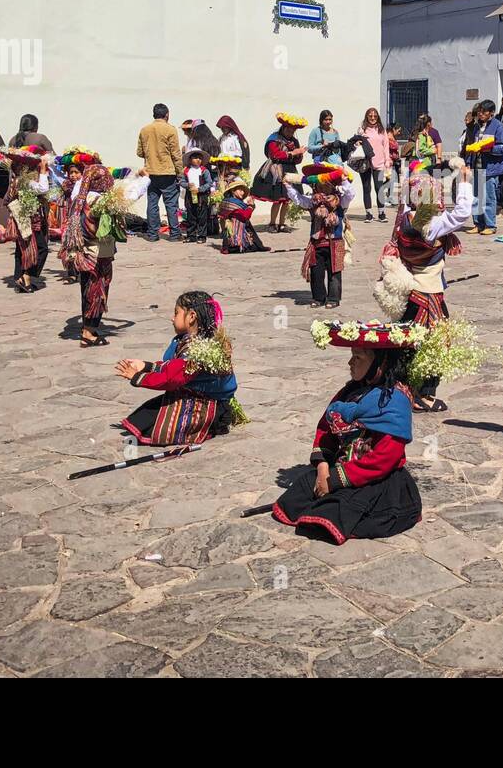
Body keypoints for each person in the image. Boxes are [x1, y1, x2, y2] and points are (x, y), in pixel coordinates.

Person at [272, 323, 422, 545]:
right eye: (352, 356)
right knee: (296, 496)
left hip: (372, 477)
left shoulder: (394, 400)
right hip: (339, 467)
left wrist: (335, 481)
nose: (350, 363)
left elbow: (385, 458)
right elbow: (325, 428)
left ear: (379, 364)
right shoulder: (349, 392)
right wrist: (323, 467)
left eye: (358, 358)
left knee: (337, 509)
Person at [373, 157, 474, 413]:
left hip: (412, 293)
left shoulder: (406, 220)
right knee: (436, 343)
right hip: (428, 295)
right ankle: (424, 395)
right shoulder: (430, 225)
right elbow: (462, 213)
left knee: (407, 340)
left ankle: (398, 388)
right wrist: (464, 182)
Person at [116, 291, 245, 445]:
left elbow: (171, 379)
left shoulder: (197, 350)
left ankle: (213, 423)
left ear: (191, 316)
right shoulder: (193, 341)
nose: (172, 318)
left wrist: (136, 376)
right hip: (194, 394)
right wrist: (145, 366)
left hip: (207, 404)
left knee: (153, 427)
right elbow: (172, 367)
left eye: (176, 313)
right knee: (143, 417)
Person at [61, 162, 148, 347]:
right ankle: (88, 332)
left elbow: (80, 184)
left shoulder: (79, 196)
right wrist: (144, 178)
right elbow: (130, 196)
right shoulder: (99, 201)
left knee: (87, 289)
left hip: (85, 252)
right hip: (97, 254)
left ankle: (87, 326)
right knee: (97, 290)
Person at [286, 167, 354, 308]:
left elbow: (351, 194)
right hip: (317, 242)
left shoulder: (341, 201)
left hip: (335, 242)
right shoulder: (312, 202)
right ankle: (318, 298)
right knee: (316, 271)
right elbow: (298, 199)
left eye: (326, 186)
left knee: (334, 271)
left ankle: (333, 298)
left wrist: (344, 180)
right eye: (319, 186)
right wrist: (288, 185)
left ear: (332, 187)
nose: (323, 190)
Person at [2, 145, 52, 293]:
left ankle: (20, 278)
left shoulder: (17, 180)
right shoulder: (25, 182)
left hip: (22, 219)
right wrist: (43, 171)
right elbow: (43, 189)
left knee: (21, 249)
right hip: (28, 221)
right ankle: (27, 275)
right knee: (40, 249)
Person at [251, 112, 308, 233]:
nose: (291, 133)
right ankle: (272, 223)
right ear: (284, 128)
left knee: (286, 199)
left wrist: (299, 154)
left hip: (290, 170)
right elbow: (274, 155)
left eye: (293, 131)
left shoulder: (294, 142)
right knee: (277, 199)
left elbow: (297, 160)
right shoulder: (274, 139)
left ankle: (282, 224)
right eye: (289, 130)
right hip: (276, 171)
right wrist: (292, 153)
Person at [137, 103, 183, 242]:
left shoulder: (145, 130)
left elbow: (139, 152)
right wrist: (180, 173)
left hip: (150, 172)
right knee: (171, 204)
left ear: (154, 114)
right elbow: (175, 153)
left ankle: (152, 234)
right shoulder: (170, 130)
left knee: (152, 204)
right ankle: (174, 234)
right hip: (168, 172)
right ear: (167, 115)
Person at [468, 100, 503, 235]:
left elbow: (502, 147)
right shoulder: (476, 127)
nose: (480, 114)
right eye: (479, 111)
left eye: (483, 111)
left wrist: (488, 149)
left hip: (490, 168)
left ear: (491, 113)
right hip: (477, 166)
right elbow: (471, 145)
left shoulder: (498, 126)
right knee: (476, 197)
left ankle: (490, 225)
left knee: (489, 197)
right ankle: (478, 223)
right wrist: (468, 162)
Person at [356, 108, 391, 223]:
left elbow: (386, 146)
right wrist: (357, 142)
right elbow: (355, 143)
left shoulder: (381, 130)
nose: (372, 118)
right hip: (365, 163)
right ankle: (369, 213)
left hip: (379, 163)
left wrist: (387, 160)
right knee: (367, 188)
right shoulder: (362, 129)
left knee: (379, 188)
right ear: (366, 117)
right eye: (370, 116)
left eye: (375, 116)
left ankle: (381, 213)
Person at [216, 176, 267, 254]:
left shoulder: (231, 202)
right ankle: (234, 246)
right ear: (233, 191)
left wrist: (250, 207)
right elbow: (245, 216)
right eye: (240, 190)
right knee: (252, 247)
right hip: (234, 236)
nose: (242, 193)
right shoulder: (232, 203)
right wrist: (250, 207)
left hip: (231, 234)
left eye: (243, 191)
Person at [182, 148, 213, 243]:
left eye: (200, 158)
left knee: (202, 216)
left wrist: (200, 189)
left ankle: (202, 235)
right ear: (190, 159)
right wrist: (188, 185)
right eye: (195, 158)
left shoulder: (204, 171)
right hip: (189, 196)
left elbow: (209, 183)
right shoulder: (186, 171)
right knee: (191, 215)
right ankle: (191, 235)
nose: (198, 160)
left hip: (201, 196)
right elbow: (181, 181)